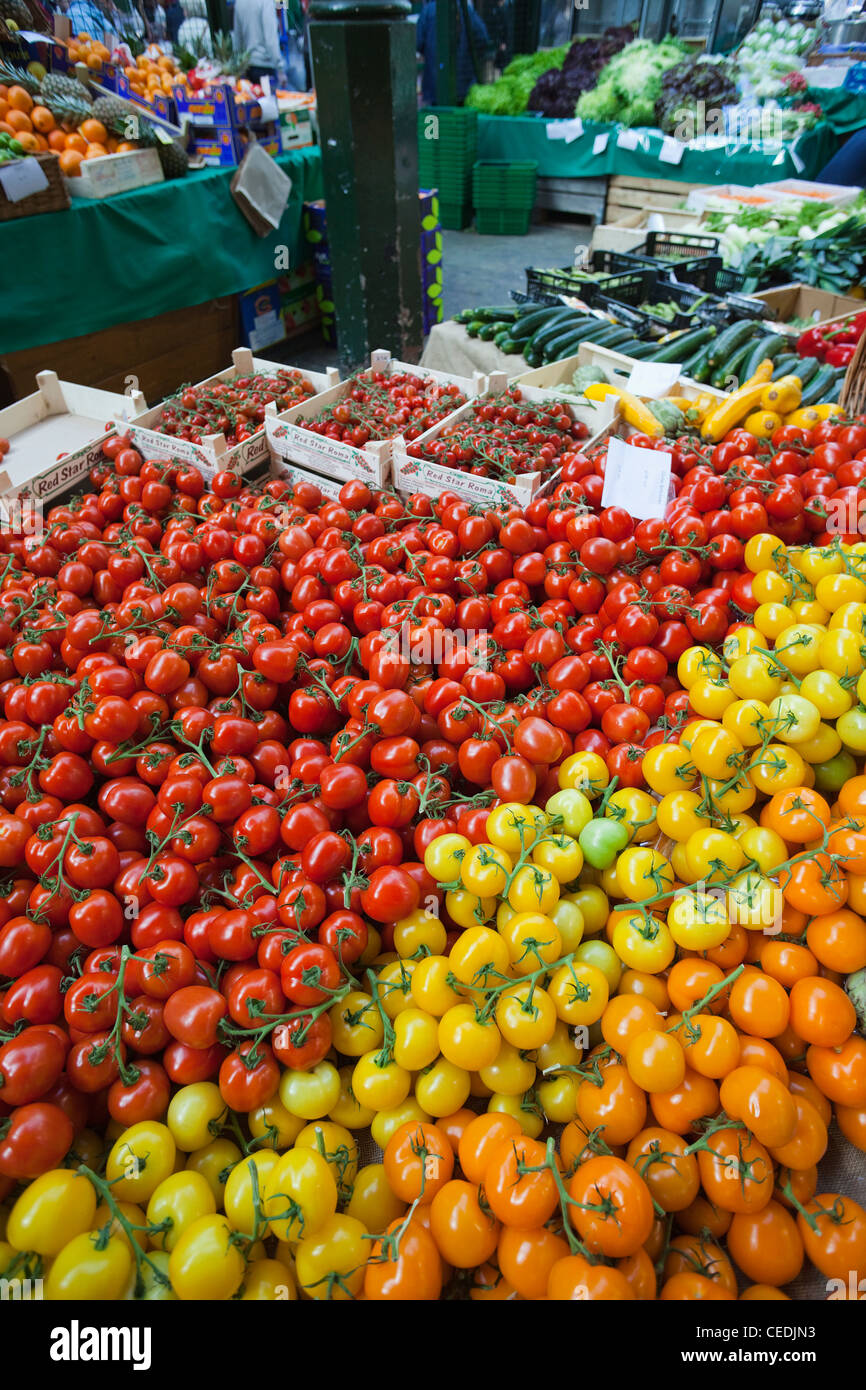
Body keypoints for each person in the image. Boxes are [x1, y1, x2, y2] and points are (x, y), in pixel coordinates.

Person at [416, 0, 491, 105]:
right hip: (463, 86)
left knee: (437, 118)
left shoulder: (428, 10)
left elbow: (418, 42)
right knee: (459, 118)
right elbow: (483, 39)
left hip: (435, 87)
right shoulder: (466, 10)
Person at [232, 0, 281, 85]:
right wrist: (280, 68)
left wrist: (238, 67)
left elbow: (237, 38)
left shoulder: (239, 3)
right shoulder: (266, 2)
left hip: (247, 66)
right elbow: (270, 39)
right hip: (265, 66)